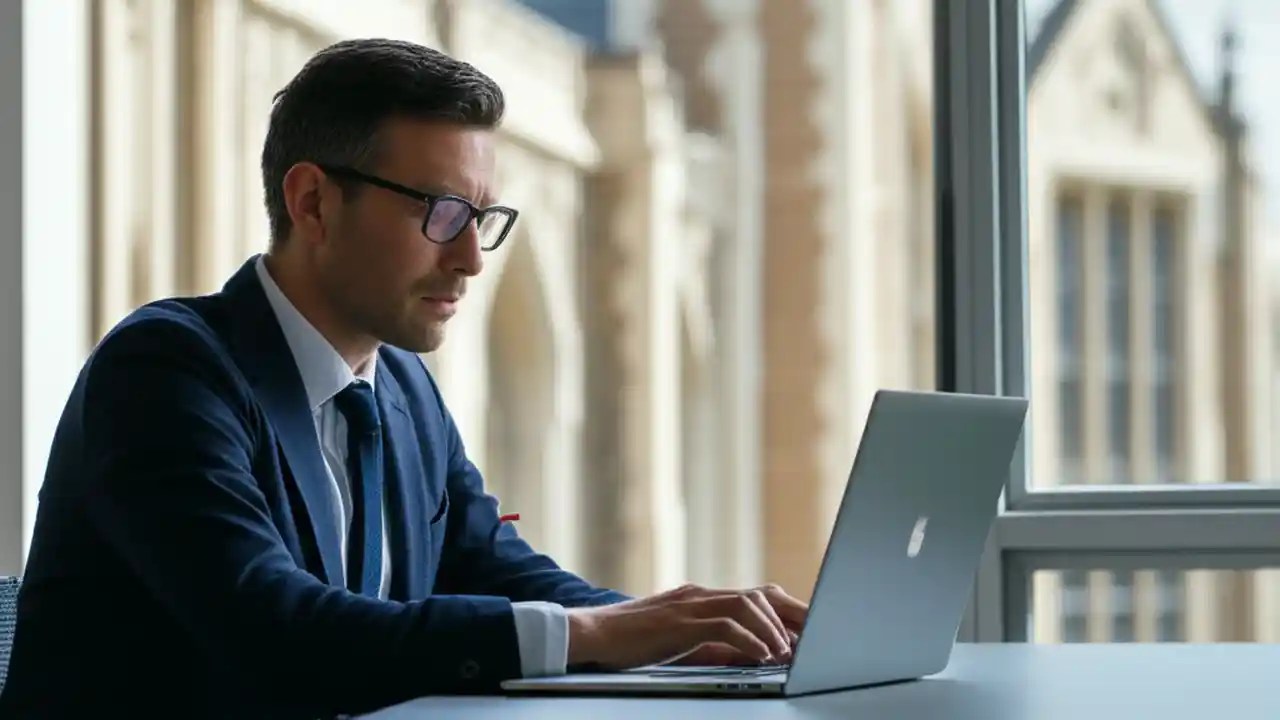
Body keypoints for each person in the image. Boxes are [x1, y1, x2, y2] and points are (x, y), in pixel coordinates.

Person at [0, 39, 806, 718]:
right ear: (313, 202)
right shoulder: (163, 374)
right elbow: (279, 630)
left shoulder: (401, 389)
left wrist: (679, 630)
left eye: (483, 218)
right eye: (442, 212)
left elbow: (494, 566)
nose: (472, 258)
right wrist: (596, 636)